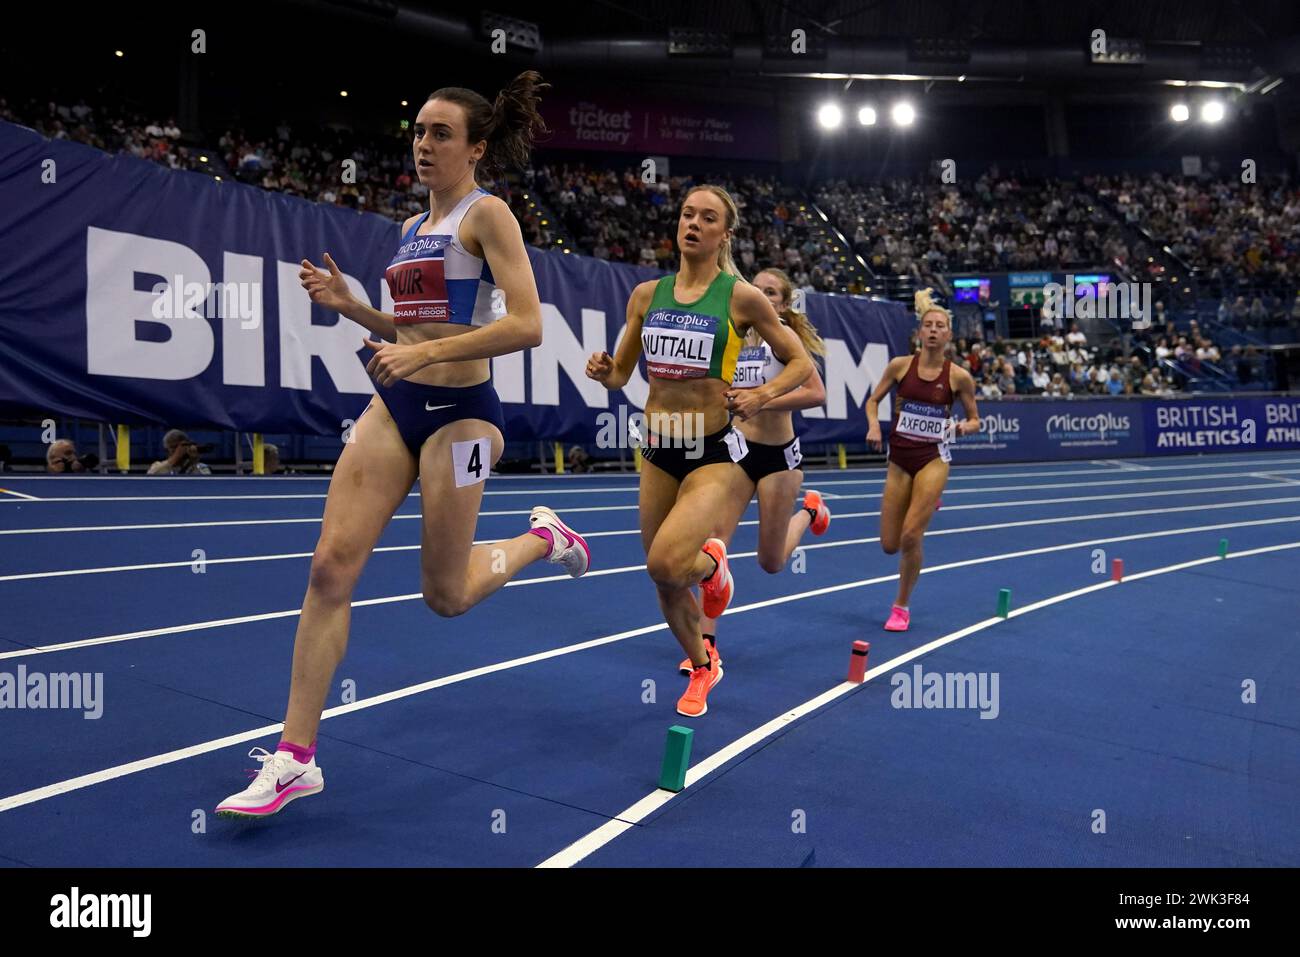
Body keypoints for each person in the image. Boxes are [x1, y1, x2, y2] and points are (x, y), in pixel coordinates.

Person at [216, 71, 592, 819]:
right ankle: (295, 760)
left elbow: (528, 325)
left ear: (475, 147)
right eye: (418, 130)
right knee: (330, 566)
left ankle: (541, 539)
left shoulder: (490, 217)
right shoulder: (410, 229)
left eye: (441, 133)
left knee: (445, 595)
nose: (423, 143)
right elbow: (409, 332)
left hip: (463, 418)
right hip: (394, 404)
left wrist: (422, 355)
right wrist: (354, 306)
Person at [586, 185, 812, 717]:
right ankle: (704, 665)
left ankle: (713, 569)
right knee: (663, 577)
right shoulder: (646, 294)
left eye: (707, 218)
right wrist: (605, 373)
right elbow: (621, 375)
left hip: (711, 451)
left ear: (723, 235)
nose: (693, 223)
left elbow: (800, 363)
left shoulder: (741, 297)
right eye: (687, 214)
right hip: (659, 447)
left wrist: (763, 394)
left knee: (667, 563)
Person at [688, 267, 829, 676]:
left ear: (783, 304)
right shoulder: (735, 334)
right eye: (758, 290)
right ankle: (705, 644)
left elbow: (816, 393)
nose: (763, 298)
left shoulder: (785, 339)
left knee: (771, 562)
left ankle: (811, 513)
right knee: (714, 545)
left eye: (772, 293)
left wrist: (762, 400)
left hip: (778, 458)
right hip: (736, 450)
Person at [864, 289, 980, 632]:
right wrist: (874, 424)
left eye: (939, 326)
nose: (932, 330)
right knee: (889, 544)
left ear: (948, 335)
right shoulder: (900, 367)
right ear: (919, 332)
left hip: (932, 458)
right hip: (899, 460)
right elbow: (873, 401)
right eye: (927, 325)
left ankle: (901, 606)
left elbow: (976, 420)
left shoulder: (958, 377)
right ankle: (925, 498)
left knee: (912, 536)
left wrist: (957, 427)